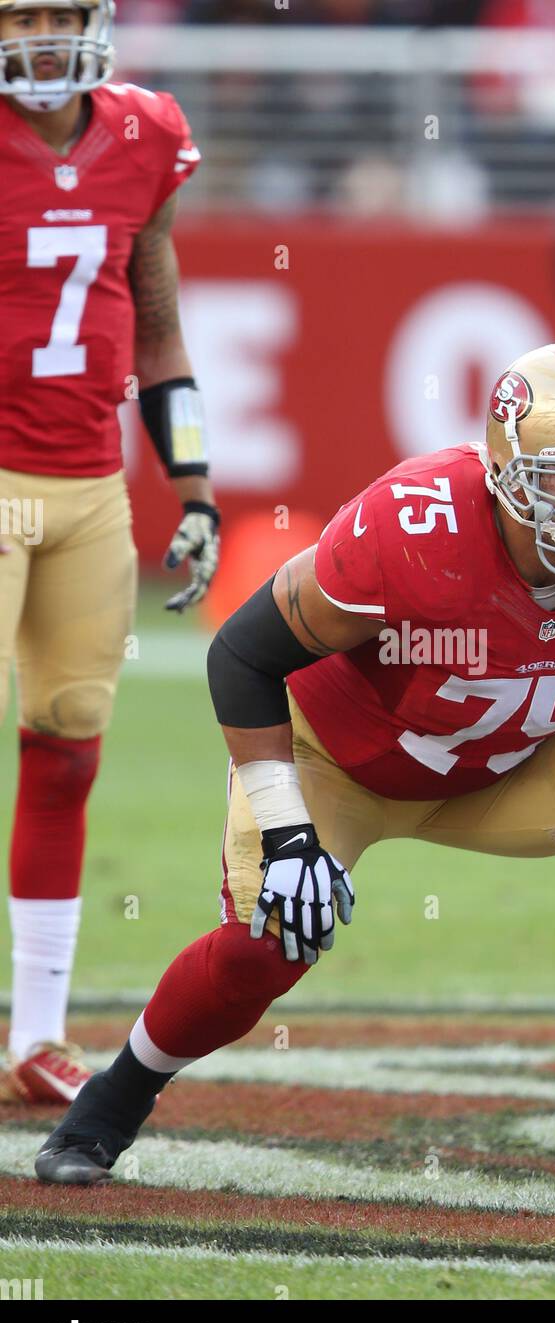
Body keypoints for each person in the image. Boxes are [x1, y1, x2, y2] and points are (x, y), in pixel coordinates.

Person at [35, 343, 555, 1203]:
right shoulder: (412, 526)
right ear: (505, 472)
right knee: (266, 943)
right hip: (339, 763)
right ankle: (112, 1099)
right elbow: (242, 655)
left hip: (515, 759)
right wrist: (287, 830)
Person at [0, 1, 220, 1104]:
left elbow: (160, 323)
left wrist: (193, 483)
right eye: (18, 14)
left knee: (70, 742)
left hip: (89, 485)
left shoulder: (147, 136)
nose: (39, 37)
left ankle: (34, 1035)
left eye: (56, 13)